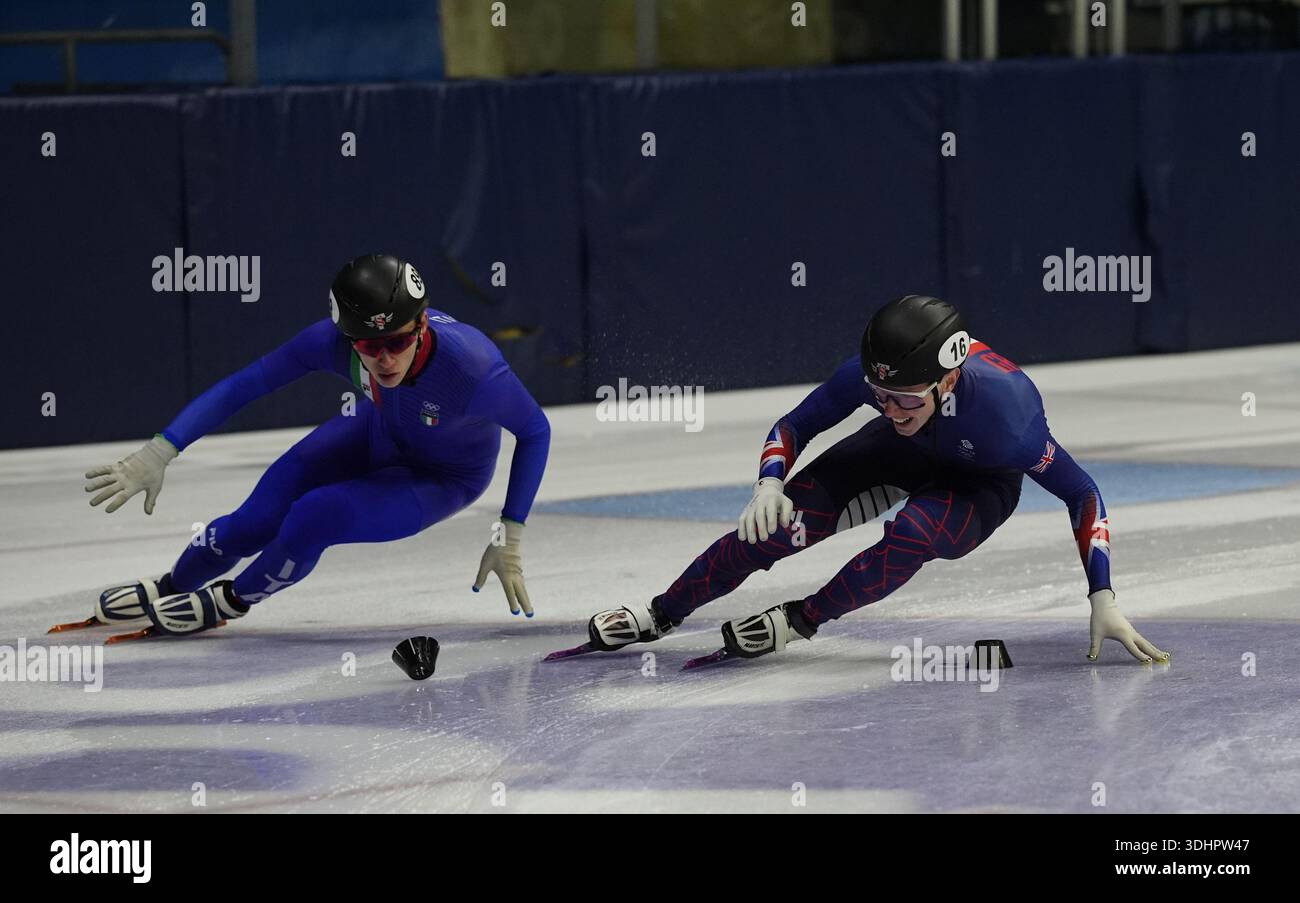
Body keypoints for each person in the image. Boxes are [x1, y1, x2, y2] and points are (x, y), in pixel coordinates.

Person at [582, 295, 1167, 665]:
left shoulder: (1007, 416)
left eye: (905, 398)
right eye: (879, 396)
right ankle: (663, 611)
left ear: (948, 380)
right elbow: (794, 425)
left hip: (978, 487)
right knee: (774, 531)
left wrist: (1102, 595)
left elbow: (1082, 492)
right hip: (895, 457)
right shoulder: (880, 387)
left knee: (911, 531)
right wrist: (769, 483)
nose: (889, 407)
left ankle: (800, 620)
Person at [70, 254, 549, 640]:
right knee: (249, 524)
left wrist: (511, 530)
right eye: (367, 345)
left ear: (422, 324)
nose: (384, 358)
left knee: (314, 516)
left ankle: (229, 601)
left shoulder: (473, 367)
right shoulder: (330, 342)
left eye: (398, 341)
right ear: (346, 337)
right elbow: (246, 385)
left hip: (442, 478)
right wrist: (161, 450)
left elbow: (534, 432)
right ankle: (172, 585)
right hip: (374, 432)